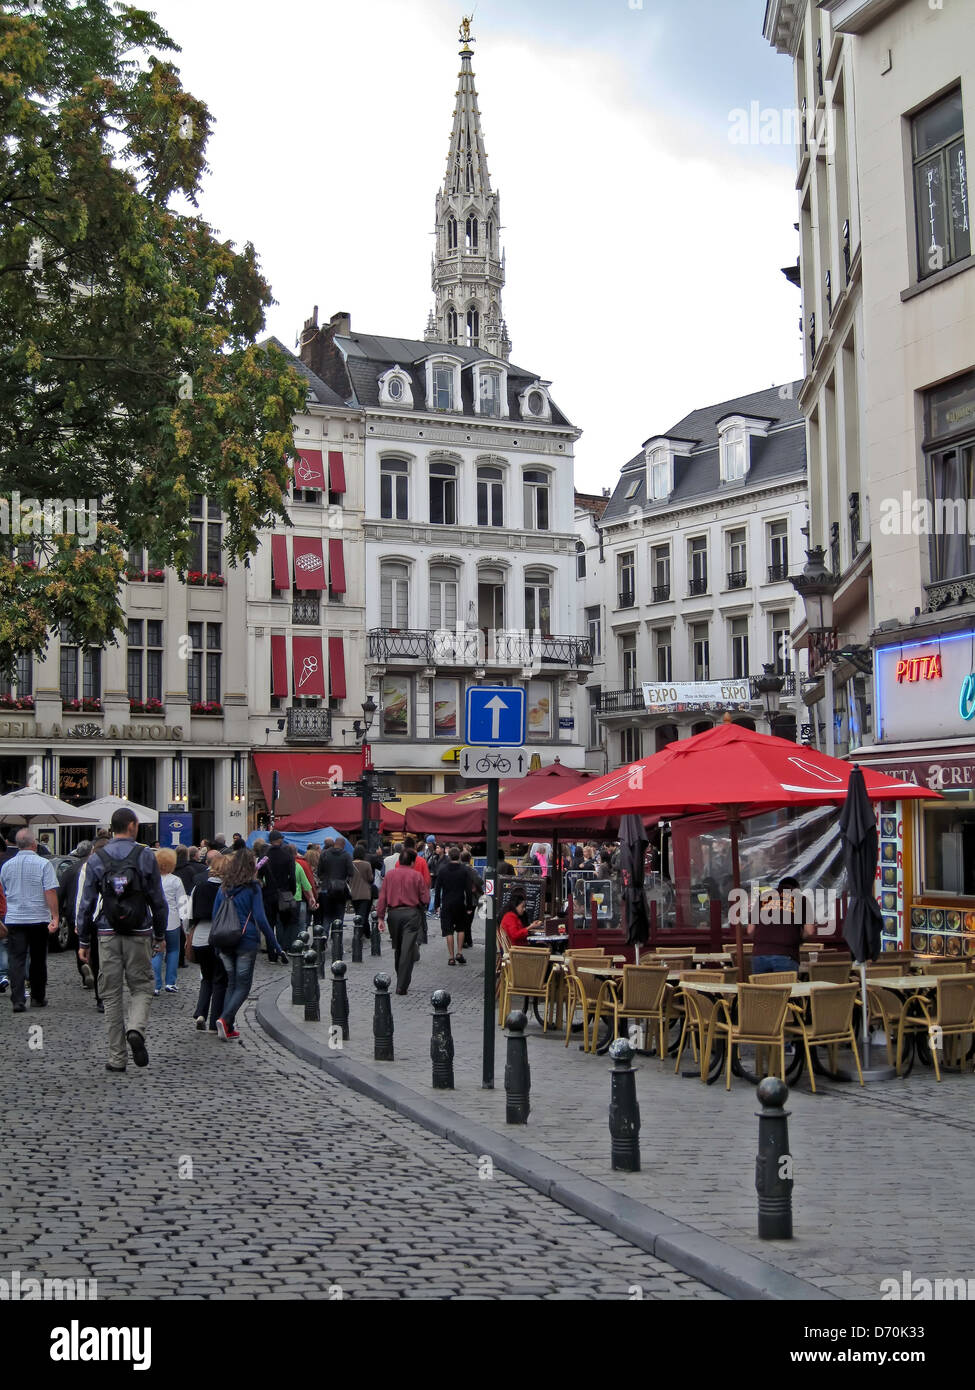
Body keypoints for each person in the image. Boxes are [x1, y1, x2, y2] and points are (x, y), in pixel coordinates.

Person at [76, 808, 168, 1071]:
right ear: (131, 826)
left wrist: (83, 941)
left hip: (107, 932)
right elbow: (158, 901)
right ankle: (136, 1029)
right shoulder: (145, 856)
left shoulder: (97, 858)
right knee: (142, 986)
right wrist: (159, 935)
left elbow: (86, 904)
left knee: (111, 995)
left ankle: (117, 1058)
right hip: (139, 932)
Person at [211, 849, 282, 1041]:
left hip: (224, 940)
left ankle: (228, 1026)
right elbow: (260, 918)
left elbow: (215, 916)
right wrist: (275, 944)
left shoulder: (223, 887)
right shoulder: (253, 887)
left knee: (231, 984)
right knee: (243, 986)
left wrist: (215, 943)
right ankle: (225, 1020)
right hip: (245, 940)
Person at [0, 828, 59, 1012]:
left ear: (17, 845)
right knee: (38, 957)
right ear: (34, 844)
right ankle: (37, 997)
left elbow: (4, 889)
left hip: (15, 917)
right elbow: (49, 891)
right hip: (38, 917)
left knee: (16, 959)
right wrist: (55, 916)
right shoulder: (43, 864)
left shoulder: (7, 866)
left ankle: (17, 1000)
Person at [376, 848, 428, 995]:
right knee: (407, 949)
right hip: (411, 913)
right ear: (412, 862)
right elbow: (425, 898)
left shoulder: (390, 875)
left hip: (393, 914)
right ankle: (402, 984)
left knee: (398, 948)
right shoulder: (416, 876)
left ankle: (400, 977)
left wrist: (380, 917)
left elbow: (383, 897)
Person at [188, 852, 229, 1032]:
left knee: (206, 977)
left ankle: (201, 1012)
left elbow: (188, 914)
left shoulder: (199, 886)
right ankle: (214, 1021)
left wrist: (189, 933)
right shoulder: (228, 890)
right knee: (220, 980)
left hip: (200, 937)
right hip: (219, 936)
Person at [748, 875, 816, 974]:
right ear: (796, 889)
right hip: (786, 954)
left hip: (759, 955)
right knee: (785, 989)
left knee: (761, 989)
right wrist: (800, 940)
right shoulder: (801, 899)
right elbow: (810, 931)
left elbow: (750, 930)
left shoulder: (763, 897)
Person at [153, 848, 190, 995]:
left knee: (156, 952)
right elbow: (183, 903)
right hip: (173, 921)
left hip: (155, 921)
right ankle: (171, 982)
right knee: (174, 950)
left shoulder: (152, 880)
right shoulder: (176, 880)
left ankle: (156, 984)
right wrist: (186, 925)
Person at [58, 839, 93, 989]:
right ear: (91, 851)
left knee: (80, 943)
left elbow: (61, 892)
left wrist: (58, 913)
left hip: (74, 912)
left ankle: (84, 968)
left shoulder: (69, 870)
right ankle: (94, 967)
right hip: (92, 911)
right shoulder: (94, 867)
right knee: (95, 942)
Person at [433, 846, 474, 966]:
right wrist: (469, 906)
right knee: (461, 928)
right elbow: (468, 890)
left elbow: (437, 888)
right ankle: (459, 952)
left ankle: (451, 956)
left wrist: (437, 905)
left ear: (449, 856)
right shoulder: (464, 870)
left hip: (447, 903)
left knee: (448, 930)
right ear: (459, 856)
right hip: (460, 902)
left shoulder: (443, 870)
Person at [260, 829, 297, 951]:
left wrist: (264, 887)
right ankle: (284, 948)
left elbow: (258, 874)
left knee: (270, 924)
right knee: (286, 922)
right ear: (279, 840)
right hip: (284, 893)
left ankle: (272, 953)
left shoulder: (265, 856)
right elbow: (292, 877)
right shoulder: (287, 856)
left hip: (268, 894)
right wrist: (291, 891)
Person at [318, 836, 353, 927]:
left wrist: (325, 879)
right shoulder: (346, 855)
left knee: (326, 915)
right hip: (340, 888)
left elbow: (319, 872)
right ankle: (337, 938)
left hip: (326, 888)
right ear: (343, 845)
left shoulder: (324, 854)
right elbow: (351, 873)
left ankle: (324, 936)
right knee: (339, 915)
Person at [349, 842, 375, 946]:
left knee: (358, 913)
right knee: (363, 915)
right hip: (365, 893)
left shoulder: (350, 864)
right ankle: (359, 934)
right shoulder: (366, 864)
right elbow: (370, 879)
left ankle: (365, 933)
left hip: (353, 892)